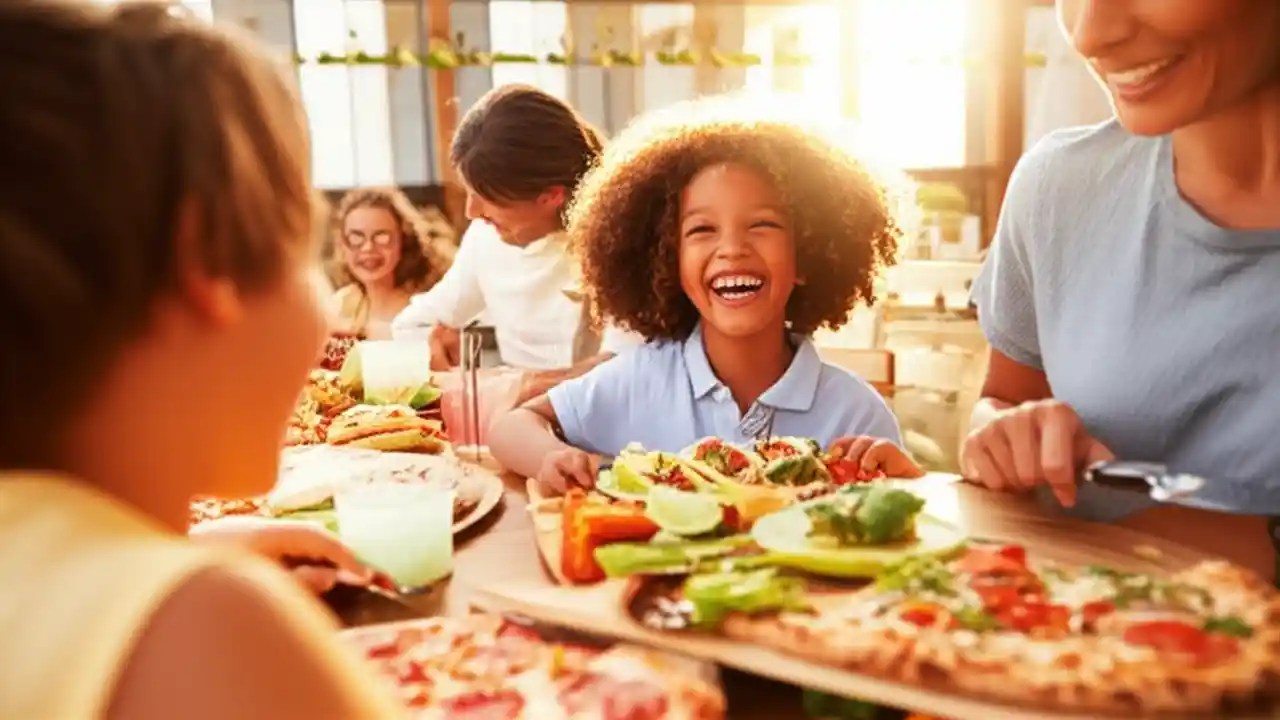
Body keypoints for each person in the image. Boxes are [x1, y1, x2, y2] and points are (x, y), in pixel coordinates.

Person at [0, 4, 398, 717]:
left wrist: (193, 542)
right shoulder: (203, 629)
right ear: (206, 255)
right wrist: (191, 587)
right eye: (303, 243)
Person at [964, 0, 1280, 580]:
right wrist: (1004, 439)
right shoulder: (1057, 188)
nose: (1090, 34)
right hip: (1060, 647)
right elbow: (1002, 401)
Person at [488, 98, 921, 494]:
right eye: (702, 230)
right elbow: (512, 426)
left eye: (762, 225)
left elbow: (902, 524)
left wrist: (909, 483)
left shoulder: (857, 413)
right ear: (667, 262)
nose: (732, 248)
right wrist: (552, 457)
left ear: (809, 255)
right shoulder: (638, 379)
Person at [390, 84, 635, 398]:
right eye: (469, 192)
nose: (470, 212)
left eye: (486, 198)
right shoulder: (486, 238)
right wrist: (428, 345)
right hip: (517, 421)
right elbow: (413, 325)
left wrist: (512, 384)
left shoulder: (622, 241)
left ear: (551, 197)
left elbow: (626, 367)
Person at [326, 187, 455, 340]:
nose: (368, 248)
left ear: (404, 240)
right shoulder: (340, 306)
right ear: (343, 245)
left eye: (381, 237)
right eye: (356, 238)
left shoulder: (426, 310)